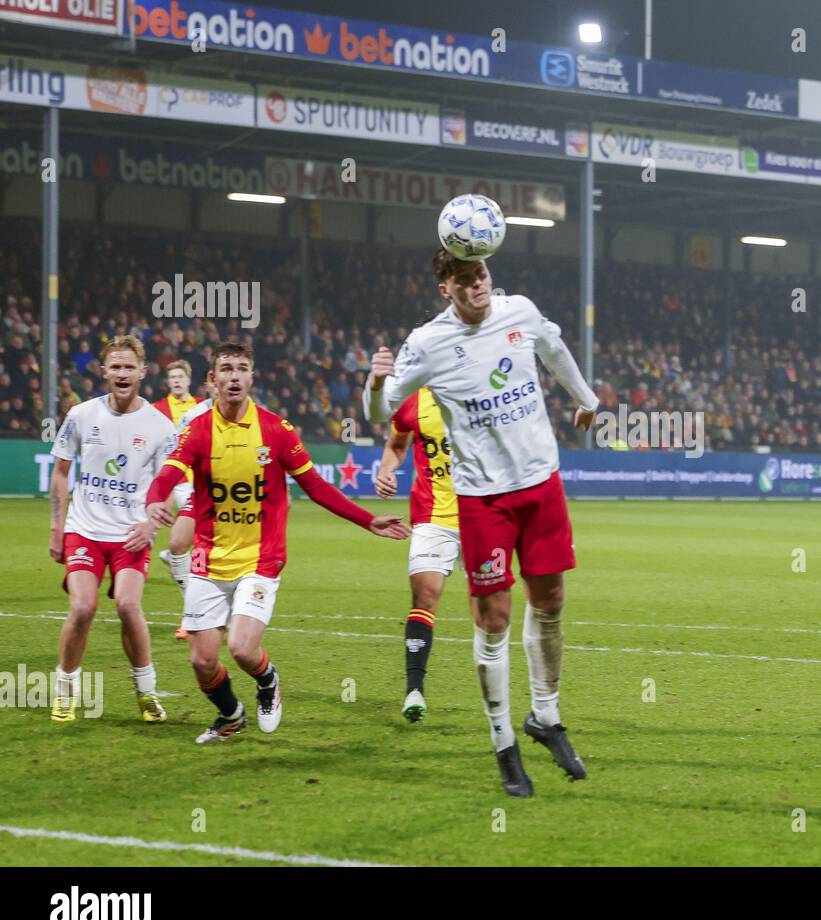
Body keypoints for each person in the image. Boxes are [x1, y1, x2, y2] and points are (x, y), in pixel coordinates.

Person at [367, 250, 598, 798]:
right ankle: (504, 745)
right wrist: (375, 384)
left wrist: (584, 398)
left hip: (541, 483)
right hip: (482, 499)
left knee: (552, 599)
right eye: (465, 281)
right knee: (493, 619)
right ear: (445, 288)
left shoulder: (519, 312)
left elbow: (555, 346)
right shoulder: (427, 343)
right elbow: (381, 414)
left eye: (483, 276)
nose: (479, 288)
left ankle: (545, 717)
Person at [129, 341, 410, 744]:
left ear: (251, 377)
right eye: (225, 369)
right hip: (208, 559)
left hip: (260, 559)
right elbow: (168, 474)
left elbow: (315, 486)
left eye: (242, 368)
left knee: (243, 649)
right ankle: (230, 715)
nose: (234, 376)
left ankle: (268, 680)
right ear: (212, 380)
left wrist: (368, 520)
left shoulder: (277, 431)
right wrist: (156, 499)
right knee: (202, 661)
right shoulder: (198, 430)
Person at [48, 335, 175, 723]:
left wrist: (151, 522)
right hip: (84, 530)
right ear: (104, 372)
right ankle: (65, 692)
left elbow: (172, 484)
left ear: (143, 372)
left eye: (128, 367)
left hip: (131, 535)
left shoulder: (159, 426)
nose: (122, 373)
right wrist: (57, 529)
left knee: (128, 605)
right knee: (83, 607)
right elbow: (61, 471)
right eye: (114, 367)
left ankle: (146, 693)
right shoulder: (82, 415)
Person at [374, 387, 459, 724]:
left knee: (492, 612)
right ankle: (415, 690)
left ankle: (498, 703)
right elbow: (397, 444)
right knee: (425, 595)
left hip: (483, 512)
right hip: (433, 515)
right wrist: (386, 470)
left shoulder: (481, 386)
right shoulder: (414, 399)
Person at [152, 360, 211, 639]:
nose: (176, 381)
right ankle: (194, 611)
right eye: (172, 377)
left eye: (180, 376)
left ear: (189, 381)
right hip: (177, 479)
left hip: (201, 483)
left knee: (196, 543)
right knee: (181, 541)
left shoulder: (202, 407)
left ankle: (206, 611)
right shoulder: (158, 410)